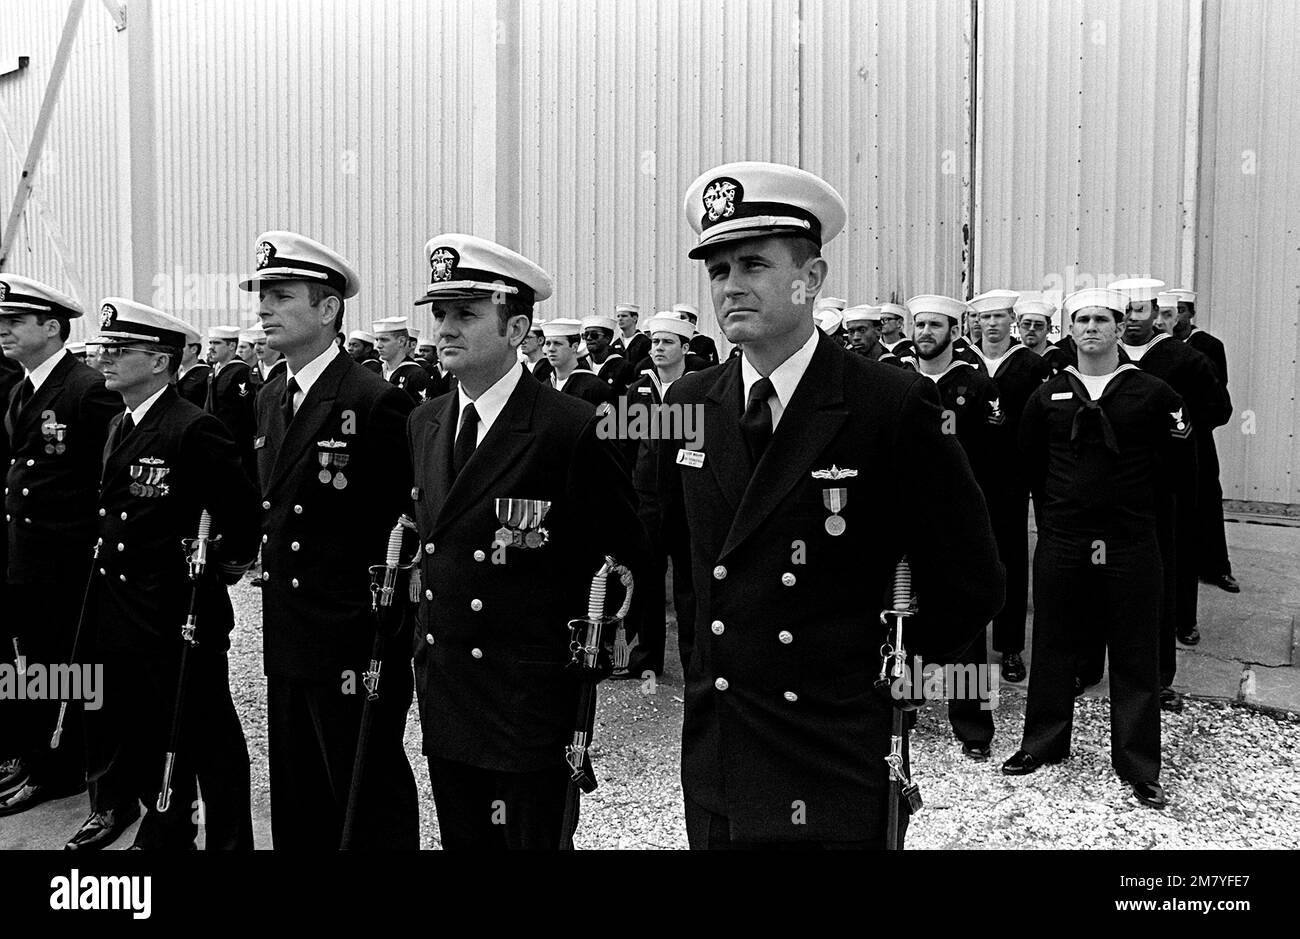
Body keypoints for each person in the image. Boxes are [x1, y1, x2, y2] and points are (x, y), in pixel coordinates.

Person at [661, 161, 1002, 848]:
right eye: (717, 269)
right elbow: (690, 568)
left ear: (810, 279)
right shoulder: (690, 402)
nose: (731, 286)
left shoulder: (890, 404)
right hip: (722, 745)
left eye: (753, 264)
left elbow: (971, 576)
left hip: (833, 747)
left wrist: (882, 677)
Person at [407, 233, 644, 848]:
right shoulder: (426, 420)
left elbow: (619, 554)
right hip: (450, 681)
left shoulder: (570, 426)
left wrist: (601, 653)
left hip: (526, 694)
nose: (445, 329)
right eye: (440, 314)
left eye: (466, 314)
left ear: (515, 329)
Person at [241, 230, 419, 849]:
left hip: (352, 630)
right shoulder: (270, 397)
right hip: (289, 621)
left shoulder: (374, 400)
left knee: (363, 784)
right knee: (297, 782)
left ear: (327, 309)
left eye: (280, 295)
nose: (263, 308)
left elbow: (405, 526)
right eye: (261, 294)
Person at [1004, 288, 1194, 810]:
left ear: (1119, 327)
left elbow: (1179, 469)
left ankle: (1137, 764)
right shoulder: (1048, 395)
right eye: (1082, 319)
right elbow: (1027, 464)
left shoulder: (1154, 393)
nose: (1091, 328)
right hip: (1064, 539)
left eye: (1101, 319)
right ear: (1071, 330)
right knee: (1054, 643)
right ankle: (1043, 743)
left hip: (1131, 541)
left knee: (1134, 652)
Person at [84, 298, 259, 849]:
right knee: (151, 725)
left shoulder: (191, 427)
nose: (106, 358)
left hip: (176, 608)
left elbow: (242, 516)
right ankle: (167, 826)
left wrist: (213, 572)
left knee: (209, 736)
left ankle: (230, 841)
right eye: (106, 348)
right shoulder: (121, 423)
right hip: (124, 604)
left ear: (160, 361)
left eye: (121, 350)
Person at [0, 277, 122, 836]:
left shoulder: (86, 389)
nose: (3, 329)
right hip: (29, 555)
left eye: (16, 321)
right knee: (39, 664)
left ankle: (71, 766)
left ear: (52, 327)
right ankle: (43, 757)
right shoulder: (25, 388)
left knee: (71, 667)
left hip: (67, 560)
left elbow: (109, 475)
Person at [1113, 278, 1231, 709]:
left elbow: (1219, 409)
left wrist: (1177, 430)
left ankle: (1171, 648)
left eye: (1140, 310)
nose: (1130, 319)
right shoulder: (1106, 355)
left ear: (1157, 313)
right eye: (1123, 310)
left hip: (1166, 479)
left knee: (1168, 561)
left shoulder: (1184, 358)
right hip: (1116, 480)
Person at [908, 293, 1002, 758]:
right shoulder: (896, 381)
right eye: (920, 324)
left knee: (967, 622)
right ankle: (903, 704)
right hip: (905, 516)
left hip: (960, 517)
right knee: (903, 616)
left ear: (953, 331)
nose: (926, 332)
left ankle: (973, 725)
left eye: (935, 325)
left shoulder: (975, 385)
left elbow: (992, 454)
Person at [971, 289, 1053, 685]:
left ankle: (1010, 647)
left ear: (1011, 323)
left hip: (1009, 477)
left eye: (1000, 317)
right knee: (964, 558)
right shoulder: (964, 364)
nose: (992, 324)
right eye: (985, 318)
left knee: (1010, 560)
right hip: (965, 476)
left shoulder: (1030, 366)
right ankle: (963, 641)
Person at [623, 312, 699, 679]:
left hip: (687, 500)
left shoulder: (702, 387)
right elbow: (622, 442)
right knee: (648, 580)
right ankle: (646, 656)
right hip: (647, 500)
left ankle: (695, 659)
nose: (658, 349)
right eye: (654, 342)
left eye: (667, 342)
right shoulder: (638, 388)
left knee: (689, 583)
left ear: (685, 347)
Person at [1163, 289, 1237, 593]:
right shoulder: (1156, 348)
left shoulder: (1206, 346)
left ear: (1189, 313)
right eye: (1169, 311)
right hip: (1163, 438)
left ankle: (1216, 567)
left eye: (1179, 310)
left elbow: (1216, 393)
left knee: (1205, 500)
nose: (1175, 317)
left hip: (1195, 436)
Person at [203, 324, 257, 483]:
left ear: (232, 346)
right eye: (211, 343)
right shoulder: (214, 370)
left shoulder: (240, 372)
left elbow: (246, 410)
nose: (211, 347)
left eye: (216, 343)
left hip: (236, 443)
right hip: (215, 441)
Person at [541, 319, 616, 408]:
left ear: (574, 347)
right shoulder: (545, 385)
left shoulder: (595, 387)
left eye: (557, 343)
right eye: (548, 344)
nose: (551, 349)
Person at [373, 317, 431, 405]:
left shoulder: (416, 375)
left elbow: (426, 412)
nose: (378, 345)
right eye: (377, 340)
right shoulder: (379, 372)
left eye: (384, 340)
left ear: (401, 341)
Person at [582, 314, 637, 397]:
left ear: (608, 338)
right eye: (585, 335)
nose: (589, 338)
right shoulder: (581, 365)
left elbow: (625, 400)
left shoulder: (623, 367)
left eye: (594, 335)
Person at [1015, 299, 1070, 376]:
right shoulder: (1010, 357)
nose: (1031, 328)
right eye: (1026, 324)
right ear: (1018, 326)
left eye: (1038, 325)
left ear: (1048, 329)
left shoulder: (1062, 360)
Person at [174, 323, 211, 407]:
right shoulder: (174, 372)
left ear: (194, 349)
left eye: (181, 347)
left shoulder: (206, 373)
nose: (176, 351)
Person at [674, 303, 720, 367]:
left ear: (692, 322)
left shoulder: (706, 342)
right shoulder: (671, 341)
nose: (678, 321)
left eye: (682, 317)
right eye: (675, 317)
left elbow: (713, 368)